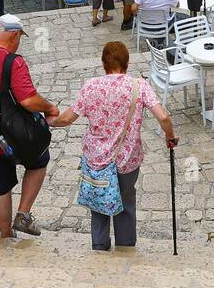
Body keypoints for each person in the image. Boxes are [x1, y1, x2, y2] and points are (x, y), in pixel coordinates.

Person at [49, 41, 178, 251]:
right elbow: (163, 117)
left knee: (98, 202)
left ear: (103, 64)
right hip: (127, 160)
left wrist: (50, 122)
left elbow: (67, 119)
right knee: (126, 202)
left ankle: (99, 246)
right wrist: (170, 136)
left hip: (96, 160)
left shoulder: (91, 86)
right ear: (127, 63)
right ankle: (125, 248)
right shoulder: (139, 86)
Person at [0, 14, 60, 238]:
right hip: (15, 138)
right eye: (20, 38)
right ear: (14, 35)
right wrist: (50, 108)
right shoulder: (13, 62)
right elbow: (28, 100)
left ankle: (6, 237)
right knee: (39, 162)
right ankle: (23, 214)